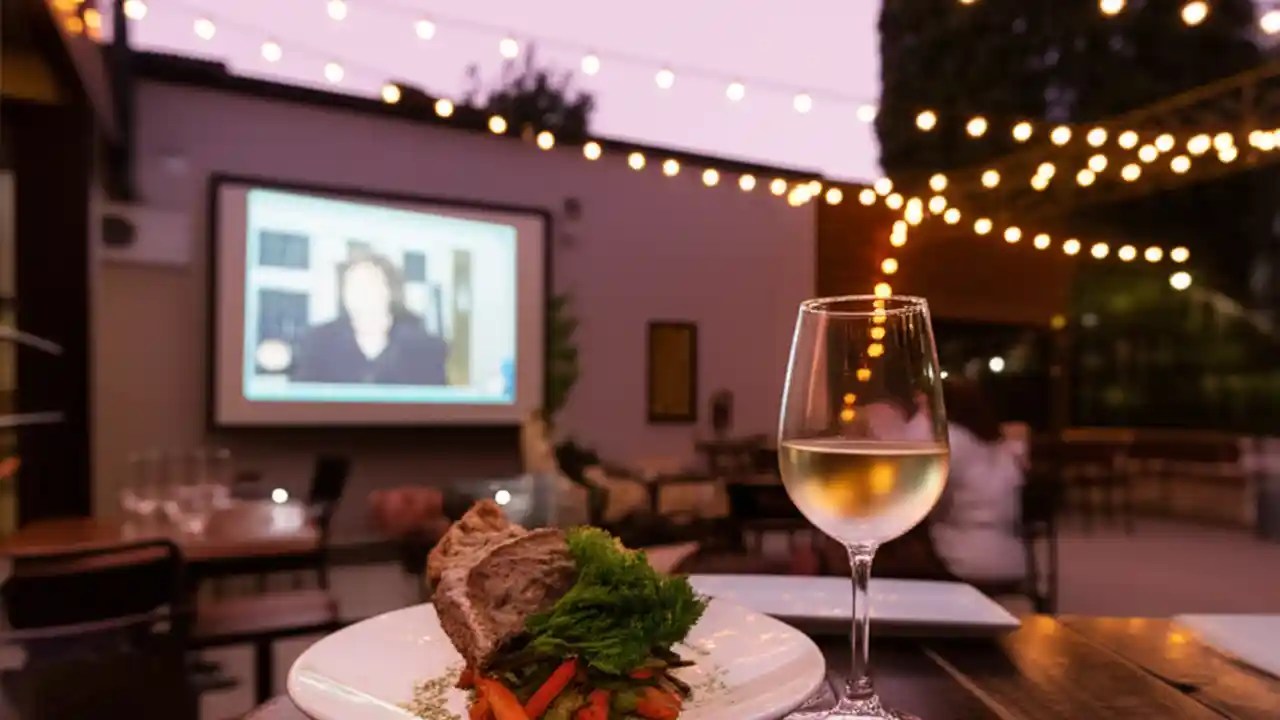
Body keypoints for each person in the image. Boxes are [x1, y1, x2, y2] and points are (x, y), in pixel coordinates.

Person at [290, 251, 448, 385]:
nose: (359, 293)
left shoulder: (425, 348)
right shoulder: (319, 342)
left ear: (389, 290)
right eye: (351, 285)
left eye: (368, 284)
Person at [928, 380, 1027, 584]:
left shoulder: (951, 440)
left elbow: (929, 498)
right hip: (1011, 554)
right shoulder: (1000, 446)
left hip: (958, 554)